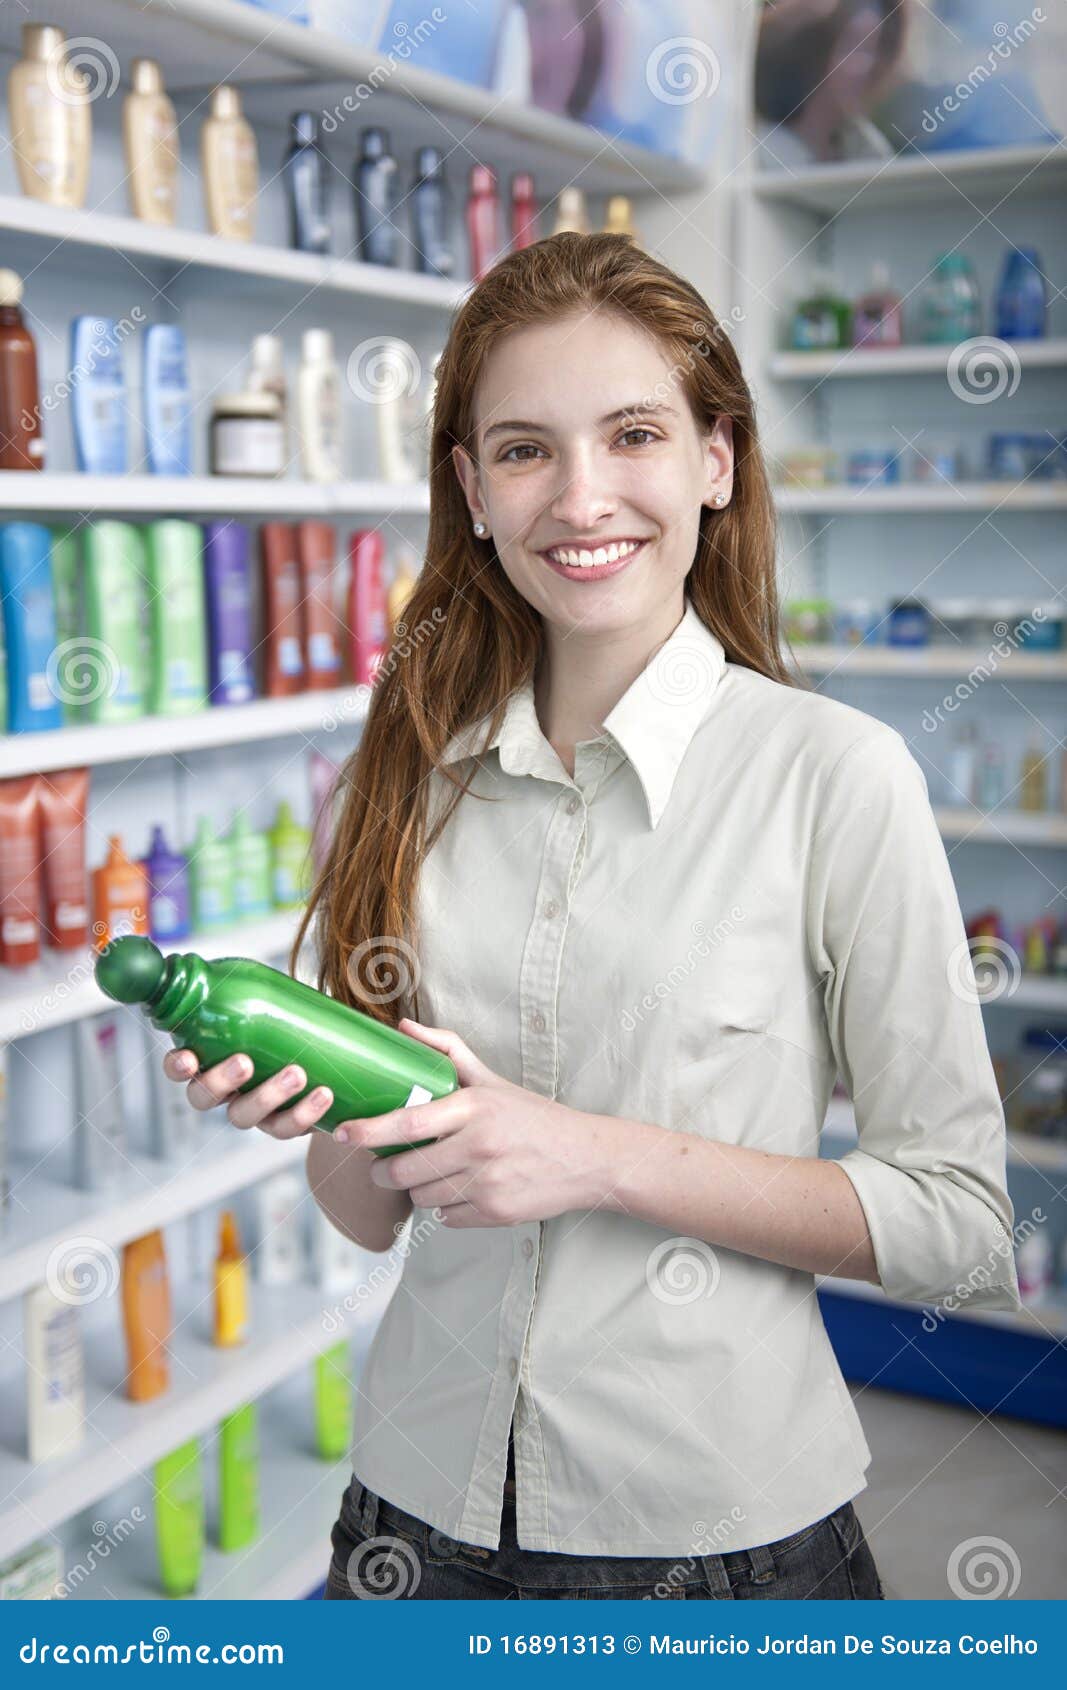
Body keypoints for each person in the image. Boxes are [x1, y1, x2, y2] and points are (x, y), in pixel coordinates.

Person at [163, 232, 1018, 1600]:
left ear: (717, 460)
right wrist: (325, 1103)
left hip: (715, 1550)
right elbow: (368, 1213)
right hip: (408, 1524)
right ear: (472, 487)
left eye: (633, 434)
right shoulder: (405, 778)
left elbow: (960, 1220)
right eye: (523, 449)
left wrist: (591, 1156)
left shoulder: (834, 777)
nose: (580, 496)